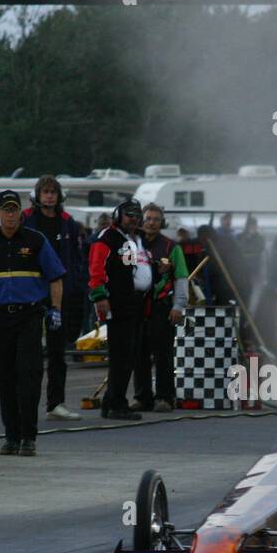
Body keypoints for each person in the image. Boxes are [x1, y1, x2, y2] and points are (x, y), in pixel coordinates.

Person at [0, 190, 66, 455]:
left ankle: (28, 438)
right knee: (4, 380)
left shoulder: (36, 241)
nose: (10, 214)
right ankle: (11, 436)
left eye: (14, 210)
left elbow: (55, 277)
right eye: (5, 210)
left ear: (20, 212)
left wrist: (55, 309)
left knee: (29, 377)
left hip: (29, 317)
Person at [22, 175, 85, 422]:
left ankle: (55, 403)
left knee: (58, 353)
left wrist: (76, 285)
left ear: (59, 197)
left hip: (59, 294)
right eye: (45, 192)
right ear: (37, 195)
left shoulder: (67, 222)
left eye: (53, 192)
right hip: (31, 293)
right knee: (30, 354)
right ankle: (25, 403)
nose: (49, 196)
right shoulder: (26, 219)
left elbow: (76, 257)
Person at [88, 198, 149, 421]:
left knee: (126, 354)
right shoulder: (107, 237)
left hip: (129, 302)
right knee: (121, 355)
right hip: (115, 303)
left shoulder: (128, 240)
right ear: (118, 215)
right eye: (129, 215)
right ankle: (117, 403)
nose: (133, 220)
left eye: (136, 216)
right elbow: (96, 270)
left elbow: (131, 270)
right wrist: (100, 297)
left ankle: (112, 401)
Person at [133, 204, 188, 412]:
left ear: (161, 222)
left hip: (161, 306)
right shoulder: (132, 245)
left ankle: (165, 397)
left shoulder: (171, 247)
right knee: (139, 352)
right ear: (141, 220)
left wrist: (179, 306)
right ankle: (142, 397)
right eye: (148, 218)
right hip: (137, 306)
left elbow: (181, 278)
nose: (151, 222)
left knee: (162, 354)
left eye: (156, 219)